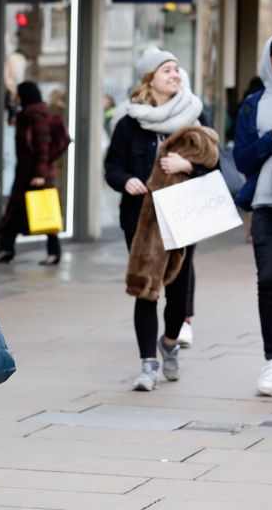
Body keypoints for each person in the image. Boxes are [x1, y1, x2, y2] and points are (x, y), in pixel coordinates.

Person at [105, 47, 209, 391]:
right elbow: (112, 168)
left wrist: (188, 166)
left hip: (183, 215)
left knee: (178, 293)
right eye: (166, 70)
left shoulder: (195, 117)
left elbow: (216, 164)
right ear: (150, 79)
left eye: (177, 69)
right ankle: (148, 364)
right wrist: (126, 181)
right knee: (145, 289)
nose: (175, 75)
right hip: (141, 219)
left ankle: (169, 342)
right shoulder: (129, 123)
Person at [233, 31, 272, 397]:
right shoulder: (253, 104)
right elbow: (240, 159)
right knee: (268, 282)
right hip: (267, 208)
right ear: (269, 59)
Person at [0, 82, 70, 265]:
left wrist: (40, 174)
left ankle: (53, 253)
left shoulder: (36, 117)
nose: (15, 99)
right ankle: (6, 249)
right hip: (25, 173)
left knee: (45, 213)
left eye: (17, 95)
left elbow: (42, 147)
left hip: (36, 175)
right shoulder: (26, 115)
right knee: (14, 212)